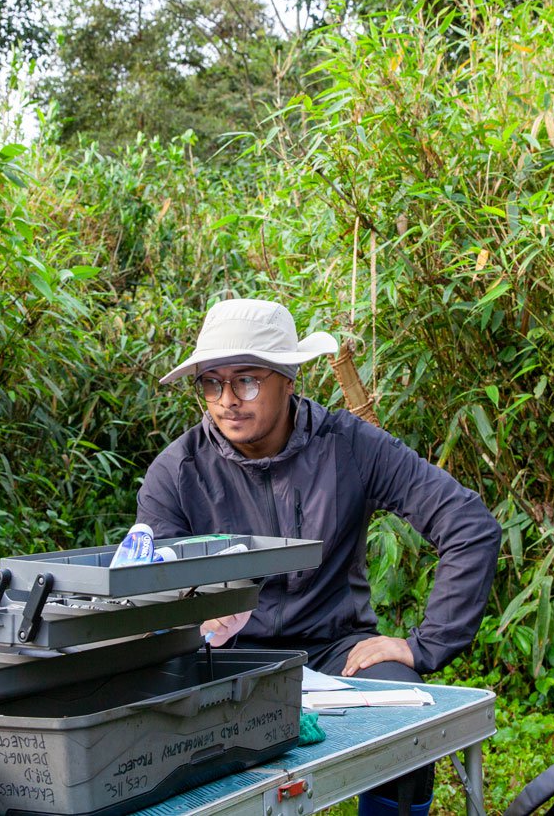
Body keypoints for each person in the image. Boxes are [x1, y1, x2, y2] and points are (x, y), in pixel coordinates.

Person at [137, 298, 502, 815]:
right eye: (212, 383)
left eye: (246, 381)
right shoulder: (177, 471)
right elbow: (150, 586)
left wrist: (426, 645)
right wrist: (191, 613)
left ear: (289, 380)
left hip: (337, 652)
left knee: (408, 732)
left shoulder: (349, 445)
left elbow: (468, 524)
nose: (227, 401)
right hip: (223, 659)